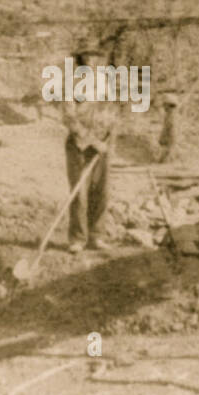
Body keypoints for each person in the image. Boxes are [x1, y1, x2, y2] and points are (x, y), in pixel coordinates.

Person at [62, 48, 118, 252]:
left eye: (95, 57)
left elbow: (112, 113)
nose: (92, 61)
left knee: (101, 192)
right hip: (79, 146)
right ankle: (77, 238)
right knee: (79, 194)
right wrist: (93, 141)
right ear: (80, 61)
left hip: (103, 147)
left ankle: (97, 235)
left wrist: (109, 138)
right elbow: (69, 118)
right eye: (87, 57)